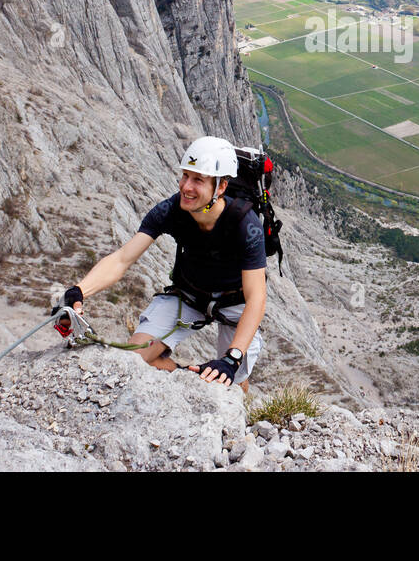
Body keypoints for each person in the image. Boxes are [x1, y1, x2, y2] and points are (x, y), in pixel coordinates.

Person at [56, 136, 267, 391]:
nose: (186, 187)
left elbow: (256, 298)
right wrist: (79, 291)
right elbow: (123, 258)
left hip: (235, 303)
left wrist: (232, 358)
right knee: (136, 358)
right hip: (189, 295)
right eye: (185, 176)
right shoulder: (170, 210)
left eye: (198, 180)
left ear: (221, 187)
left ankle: (236, 405)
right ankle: (193, 380)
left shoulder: (246, 225)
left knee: (232, 378)